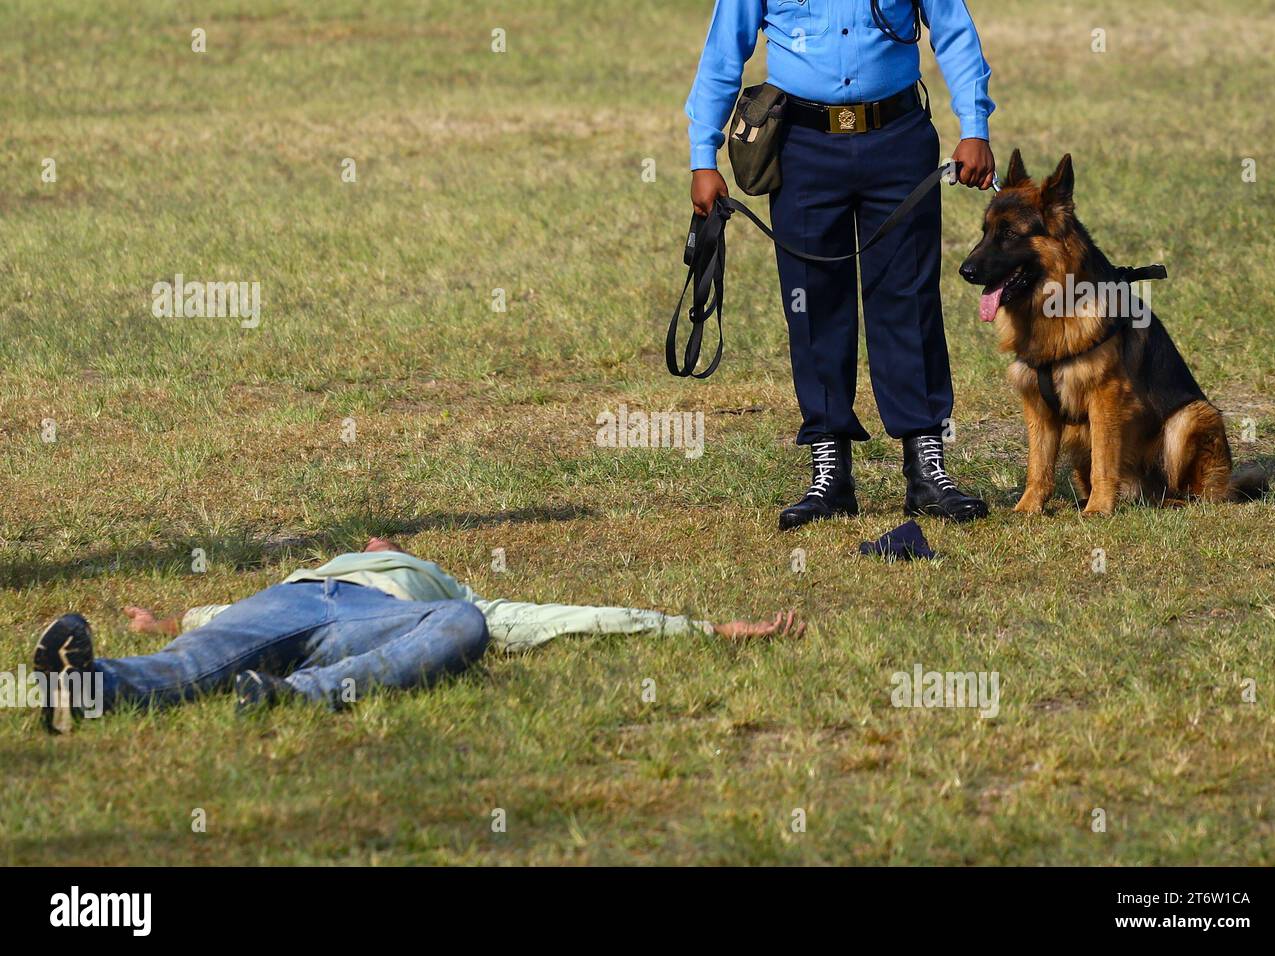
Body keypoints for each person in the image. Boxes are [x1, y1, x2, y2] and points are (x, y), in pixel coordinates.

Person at [685, 0, 997, 529]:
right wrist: (702, 156)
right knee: (813, 305)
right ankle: (830, 473)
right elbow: (723, 51)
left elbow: (955, 32)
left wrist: (974, 125)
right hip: (802, 147)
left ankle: (926, 466)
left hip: (897, 139)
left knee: (909, 299)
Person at [32, 536, 804, 734]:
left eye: (385, 542)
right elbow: (219, 620)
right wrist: (172, 621)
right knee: (197, 657)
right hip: (291, 603)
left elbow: (567, 619)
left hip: (385, 623)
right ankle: (90, 687)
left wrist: (702, 629)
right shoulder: (311, 569)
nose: (376, 540)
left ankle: (295, 698)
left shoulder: (451, 590)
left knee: (467, 626)